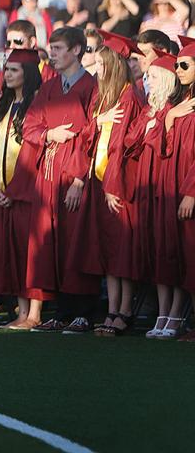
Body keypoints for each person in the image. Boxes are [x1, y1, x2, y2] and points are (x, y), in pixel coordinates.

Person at [23, 26, 101, 333]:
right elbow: (29, 126)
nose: (52, 54)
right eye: (51, 48)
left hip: (76, 171)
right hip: (49, 170)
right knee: (52, 240)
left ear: (76, 50)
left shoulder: (91, 87)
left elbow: (93, 135)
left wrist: (80, 180)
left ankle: (83, 310)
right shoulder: (48, 88)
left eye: (57, 49)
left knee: (78, 239)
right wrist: (47, 134)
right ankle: (61, 309)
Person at [83, 32, 147, 337]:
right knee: (109, 250)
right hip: (100, 182)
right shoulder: (102, 98)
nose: (97, 69)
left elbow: (122, 147)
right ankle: (112, 309)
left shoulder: (129, 97)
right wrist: (98, 121)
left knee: (121, 250)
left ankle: (123, 312)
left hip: (119, 184)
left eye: (101, 64)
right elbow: (88, 138)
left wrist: (112, 186)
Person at [0, 48, 47, 329]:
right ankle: (21, 313)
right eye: (6, 70)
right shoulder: (7, 106)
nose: (7, 75)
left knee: (29, 251)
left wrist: (14, 189)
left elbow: (34, 152)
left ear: (28, 74)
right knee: (12, 252)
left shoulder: (38, 104)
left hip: (28, 191)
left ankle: (34, 314)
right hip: (5, 189)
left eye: (13, 70)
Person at [144, 50, 190, 338]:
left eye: (185, 64)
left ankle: (175, 315)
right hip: (163, 186)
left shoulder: (184, 106)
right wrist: (168, 120)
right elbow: (147, 143)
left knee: (180, 252)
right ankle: (164, 313)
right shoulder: (172, 107)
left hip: (181, 185)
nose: (180, 69)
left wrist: (192, 192)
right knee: (164, 251)